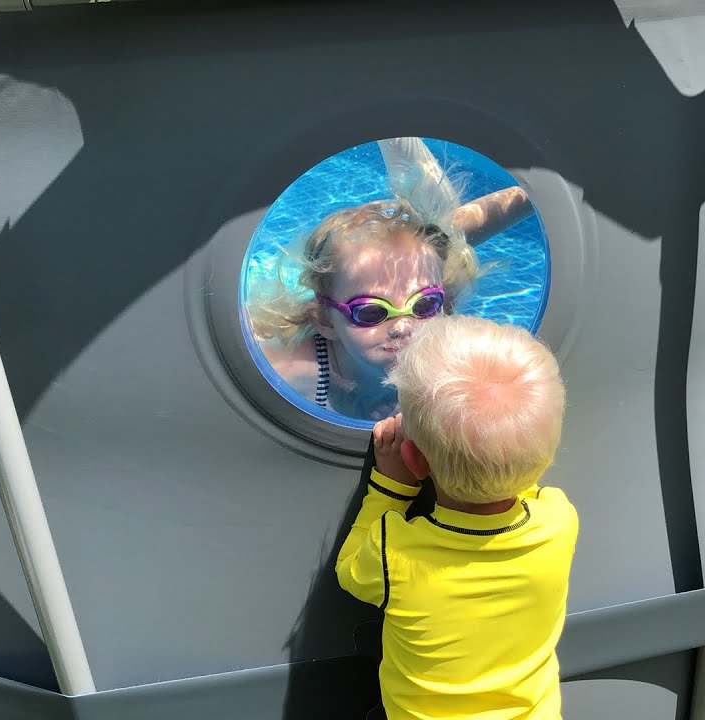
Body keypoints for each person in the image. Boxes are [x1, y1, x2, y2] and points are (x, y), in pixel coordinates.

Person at [335, 315, 578, 719]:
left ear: (413, 459)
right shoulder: (558, 521)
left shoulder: (391, 555)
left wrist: (392, 486)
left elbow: (349, 571)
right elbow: (528, 484)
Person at [247, 138, 533, 420]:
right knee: (445, 230)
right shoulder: (291, 371)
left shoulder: (434, 311)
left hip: (404, 275)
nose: (403, 326)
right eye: (372, 312)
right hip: (346, 286)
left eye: (424, 306)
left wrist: (538, 194)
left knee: (450, 239)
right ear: (324, 321)